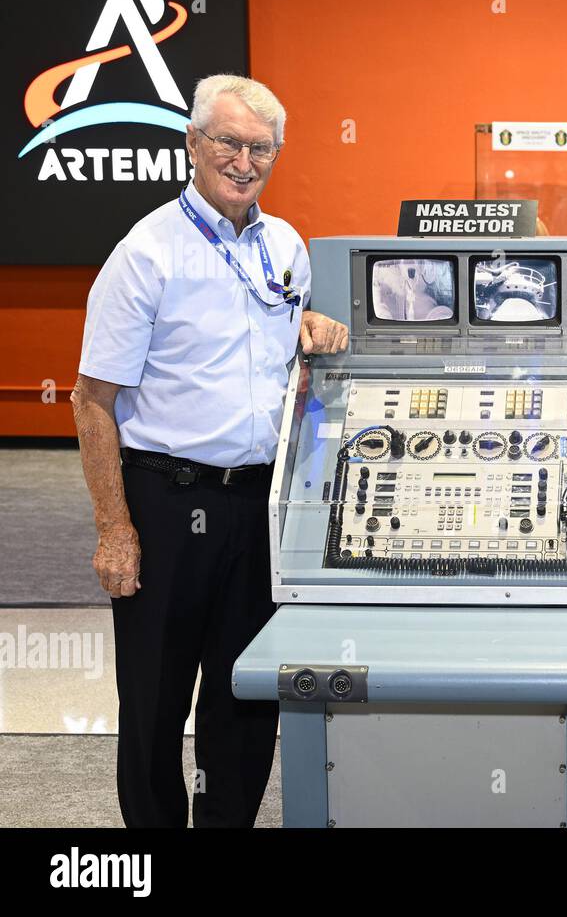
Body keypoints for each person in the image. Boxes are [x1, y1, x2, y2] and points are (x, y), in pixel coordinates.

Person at [71, 74, 349, 827]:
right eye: (227, 141)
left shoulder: (285, 244)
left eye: (261, 147)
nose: (243, 159)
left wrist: (310, 327)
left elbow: (261, 332)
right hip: (168, 501)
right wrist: (114, 529)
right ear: (192, 144)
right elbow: (91, 401)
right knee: (156, 701)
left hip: (258, 507)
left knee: (247, 692)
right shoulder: (147, 253)